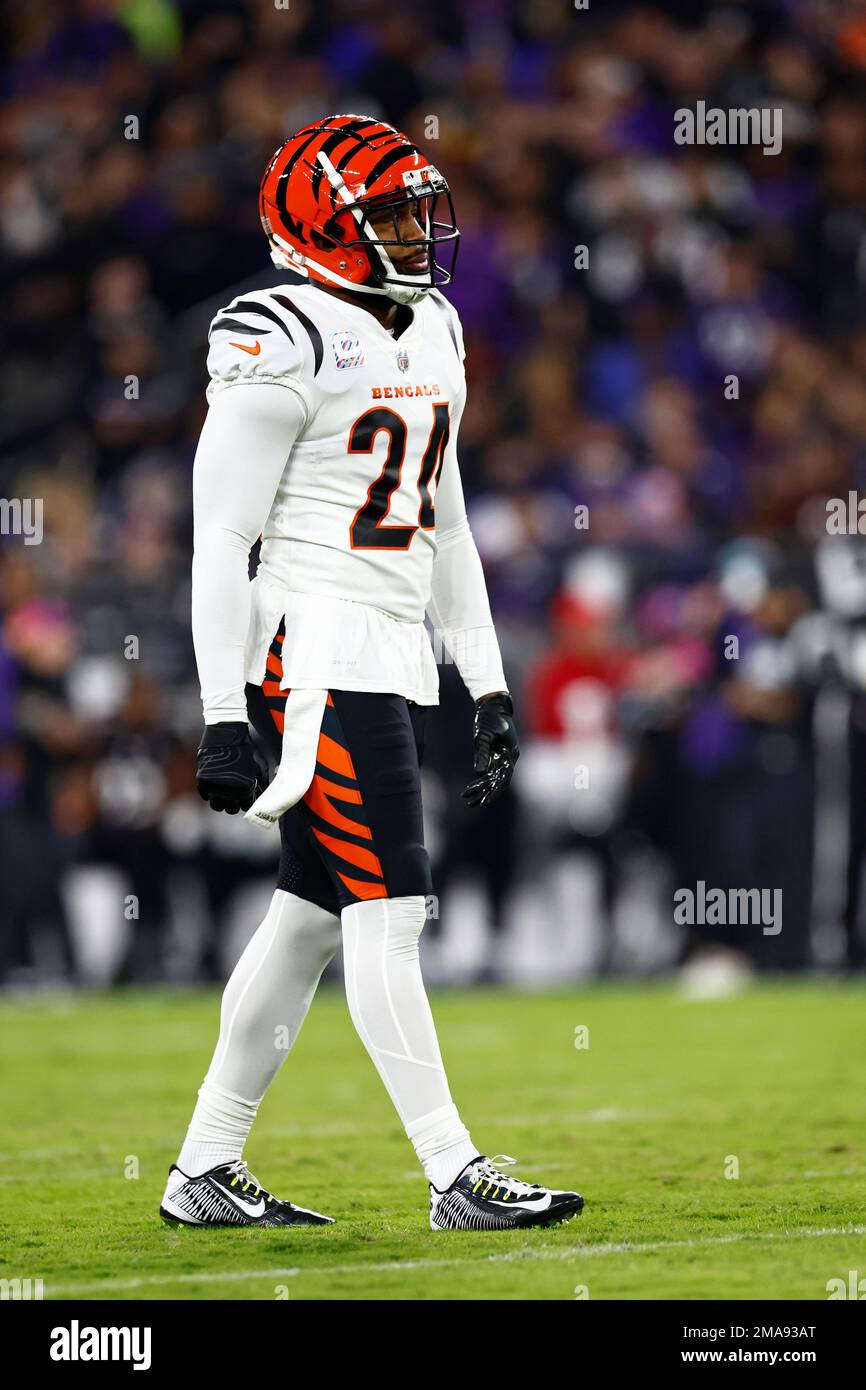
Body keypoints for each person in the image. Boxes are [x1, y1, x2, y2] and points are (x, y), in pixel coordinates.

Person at [159, 115, 583, 1232]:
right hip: (308, 657)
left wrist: (484, 684)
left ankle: (203, 1167)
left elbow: (444, 526)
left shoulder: (433, 324)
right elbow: (219, 540)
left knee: (308, 914)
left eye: (412, 210)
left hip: (384, 655)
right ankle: (453, 1172)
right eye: (383, 214)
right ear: (315, 227)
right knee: (390, 909)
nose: (409, 233)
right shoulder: (279, 331)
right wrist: (218, 709)